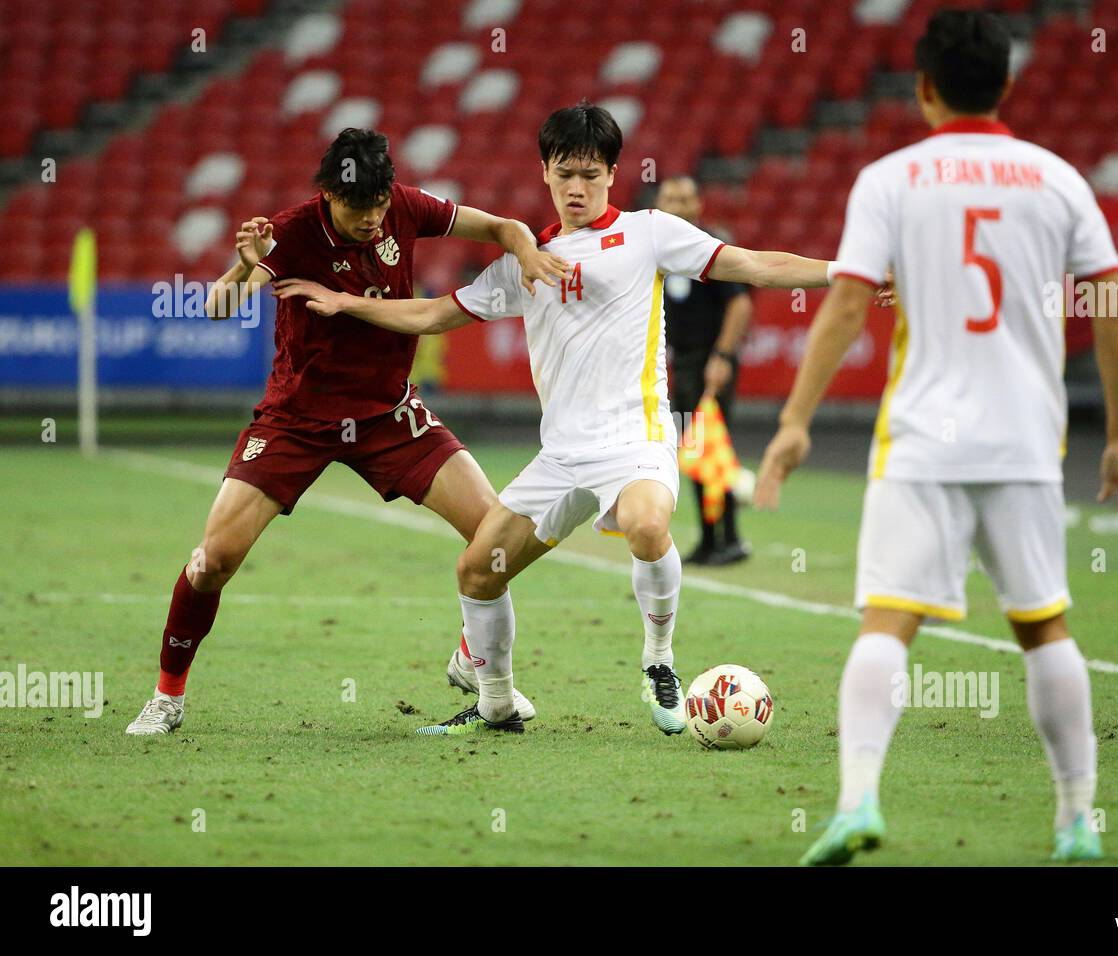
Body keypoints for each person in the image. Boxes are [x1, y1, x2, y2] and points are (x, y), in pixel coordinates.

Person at [755, 9, 1118, 864]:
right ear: (1009, 85)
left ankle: (858, 803)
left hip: (921, 440)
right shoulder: (1057, 180)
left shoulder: (890, 179)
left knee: (886, 622)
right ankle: (1077, 822)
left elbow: (842, 303)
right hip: (1025, 440)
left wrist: (796, 422)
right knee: (1044, 627)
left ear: (923, 88)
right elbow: (1110, 297)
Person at [274, 102, 834, 738]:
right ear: (544, 172)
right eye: (565, 173)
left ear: (613, 174)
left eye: (591, 175)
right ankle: (496, 703)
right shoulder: (525, 262)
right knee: (477, 570)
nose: (577, 187)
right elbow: (432, 316)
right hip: (562, 456)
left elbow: (755, 264)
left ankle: (658, 661)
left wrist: (846, 273)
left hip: (637, 441)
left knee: (648, 527)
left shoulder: (651, 232)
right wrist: (346, 302)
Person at [124, 128, 568, 735]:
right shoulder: (294, 230)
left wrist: (525, 250)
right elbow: (218, 308)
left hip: (389, 415)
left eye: (381, 207)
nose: (374, 219)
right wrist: (244, 266)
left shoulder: (406, 205)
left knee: (496, 539)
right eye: (361, 210)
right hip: (297, 421)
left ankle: (472, 656)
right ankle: (167, 696)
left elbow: (502, 227)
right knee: (212, 561)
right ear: (330, 194)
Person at [656, 175, 754, 565]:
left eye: (684, 199)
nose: (678, 207)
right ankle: (713, 538)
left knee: (711, 448)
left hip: (708, 361)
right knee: (694, 449)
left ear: (698, 206)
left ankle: (727, 538)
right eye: (670, 199)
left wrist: (724, 356)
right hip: (682, 363)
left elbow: (740, 303)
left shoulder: (709, 248)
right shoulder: (660, 250)